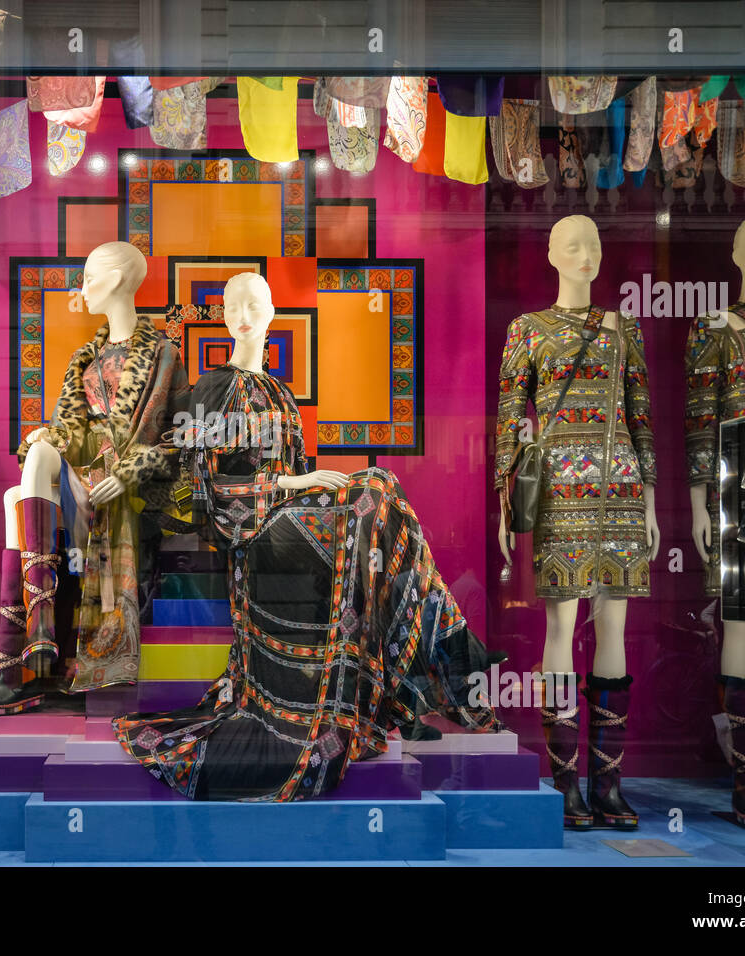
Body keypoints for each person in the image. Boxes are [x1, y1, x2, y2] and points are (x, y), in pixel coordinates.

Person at [113, 272, 502, 801]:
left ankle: (405, 691)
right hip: (252, 535)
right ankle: (441, 670)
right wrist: (294, 482)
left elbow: (305, 480)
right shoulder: (211, 388)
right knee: (374, 493)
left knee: (376, 506)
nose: (242, 315)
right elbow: (208, 490)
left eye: (254, 304)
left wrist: (303, 487)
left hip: (291, 525)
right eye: (231, 306)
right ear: (222, 316)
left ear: (273, 311)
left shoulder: (279, 393)